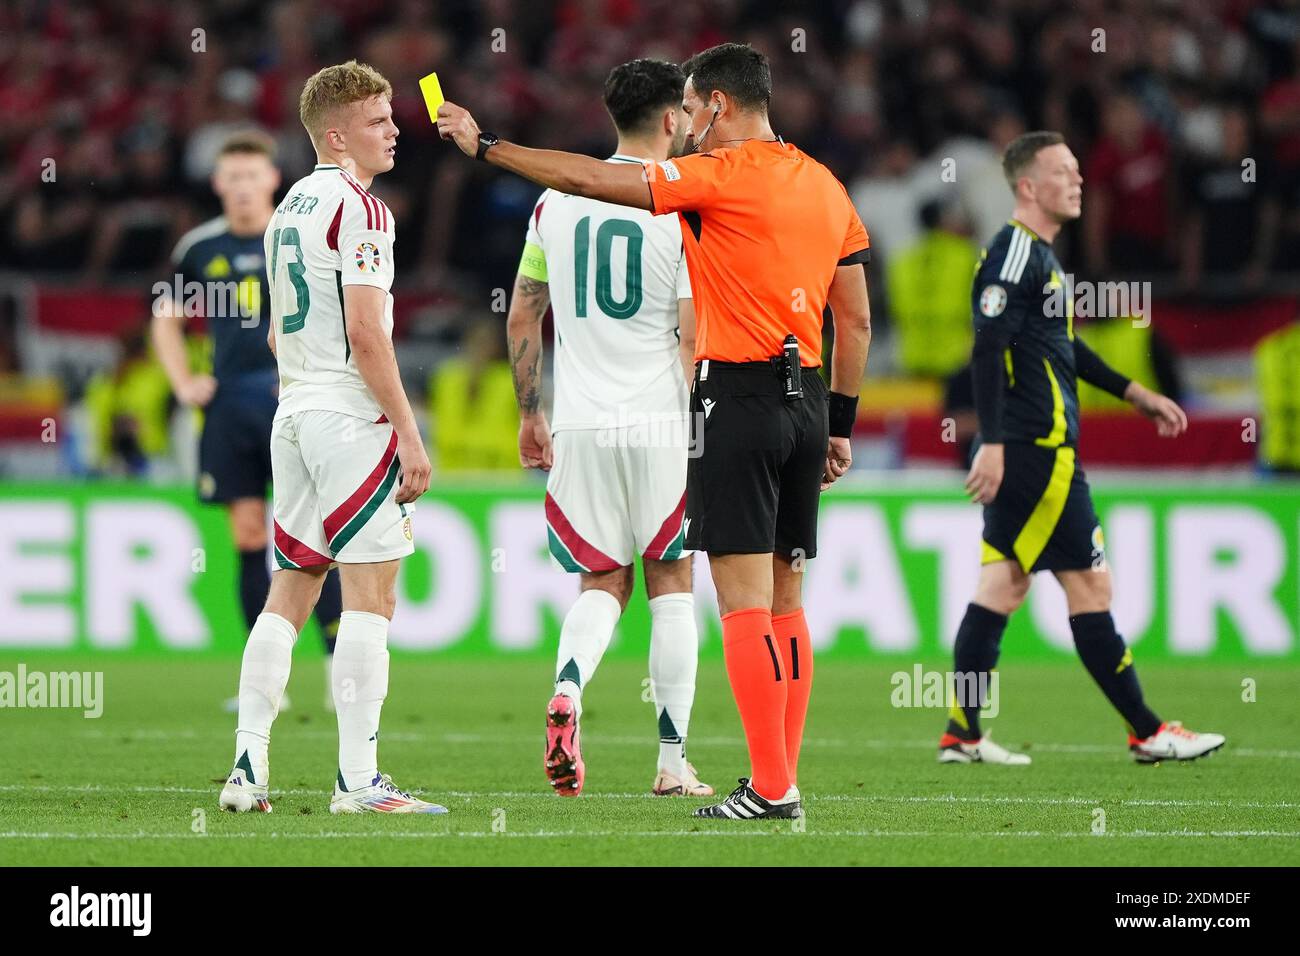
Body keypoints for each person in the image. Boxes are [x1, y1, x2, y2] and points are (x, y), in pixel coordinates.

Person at [439, 42, 873, 819]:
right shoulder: (816, 185)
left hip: (648, 408)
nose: (698, 120)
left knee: (639, 585)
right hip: (776, 400)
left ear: (718, 105)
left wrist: (490, 147)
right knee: (757, 594)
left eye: (707, 105)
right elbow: (856, 319)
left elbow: (543, 272)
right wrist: (837, 420)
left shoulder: (686, 186)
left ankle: (741, 773)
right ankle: (705, 765)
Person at [941, 131, 1224, 766]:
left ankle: (963, 731)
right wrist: (989, 441)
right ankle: (1147, 731)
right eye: (1064, 172)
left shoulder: (1041, 258)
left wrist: (1134, 392)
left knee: (1001, 587)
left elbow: (1062, 346)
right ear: (1028, 187)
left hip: (1032, 448)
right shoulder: (1014, 254)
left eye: (1078, 170)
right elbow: (986, 347)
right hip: (1036, 451)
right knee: (1091, 588)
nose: (1079, 181)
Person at [219, 60, 444, 814]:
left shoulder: (287, 208)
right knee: (371, 601)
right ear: (339, 133)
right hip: (350, 415)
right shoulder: (361, 209)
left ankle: (247, 770)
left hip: (296, 412)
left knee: (289, 592)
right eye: (380, 121)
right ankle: (358, 782)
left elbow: (282, 336)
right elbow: (367, 334)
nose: (395, 131)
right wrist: (409, 434)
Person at [505, 58, 711, 798]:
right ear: (668, 121)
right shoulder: (679, 204)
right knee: (674, 581)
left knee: (601, 580)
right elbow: (691, 334)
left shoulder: (557, 200)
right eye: (685, 115)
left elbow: (524, 309)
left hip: (582, 422)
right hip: (660, 419)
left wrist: (532, 411)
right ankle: (671, 761)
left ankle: (568, 686)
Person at [151, 132, 343, 713]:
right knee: (249, 538)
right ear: (217, 184)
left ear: (271, 180)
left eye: (251, 176)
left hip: (296, 398)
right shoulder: (198, 248)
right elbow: (165, 318)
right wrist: (185, 382)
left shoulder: (293, 232)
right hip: (231, 406)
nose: (240, 187)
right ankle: (267, 684)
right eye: (230, 177)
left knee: (314, 538)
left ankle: (339, 669)